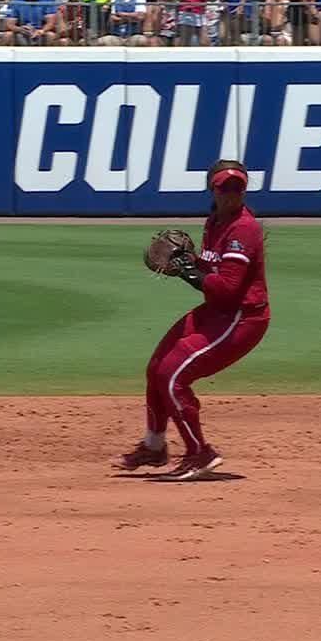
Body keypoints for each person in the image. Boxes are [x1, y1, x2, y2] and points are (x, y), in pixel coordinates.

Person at [117, 160, 271, 481]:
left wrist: (188, 270)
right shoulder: (214, 221)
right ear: (212, 190)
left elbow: (227, 288)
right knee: (157, 366)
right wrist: (191, 261)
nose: (231, 194)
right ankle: (155, 446)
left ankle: (200, 452)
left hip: (241, 319)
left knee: (172, 376)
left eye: (237, 188)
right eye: (224, 188)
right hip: (217, 312)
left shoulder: (243, 229)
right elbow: (212, 268)